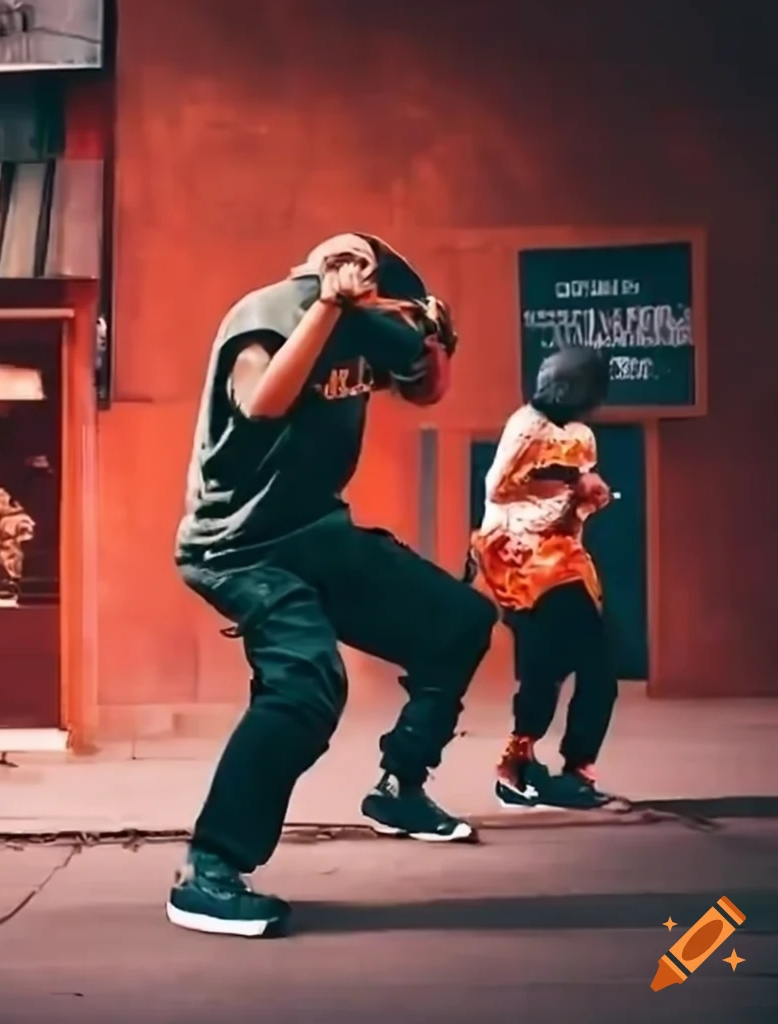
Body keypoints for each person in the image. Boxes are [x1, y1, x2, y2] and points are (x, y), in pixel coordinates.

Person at [167, 233, 498, 937]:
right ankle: (209, 870)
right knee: (308, 681)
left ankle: (400, 788)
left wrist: (426, 333)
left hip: (319, 533)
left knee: (458, 621)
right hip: (240, 548)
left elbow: (425, 387)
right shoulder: (266, 314)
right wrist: (326, 305)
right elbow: (260, 403)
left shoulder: (368, 330)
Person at [469, 346, 617, 812]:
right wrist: (575, 478)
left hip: (562, 553)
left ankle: (565, 769)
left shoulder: (582, 436)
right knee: (557, 662)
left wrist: (589, 494)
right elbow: (499, 486)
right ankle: (525, 765)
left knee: (580, 664)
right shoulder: (526, 424)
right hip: (516, 552)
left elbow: (572, 501)